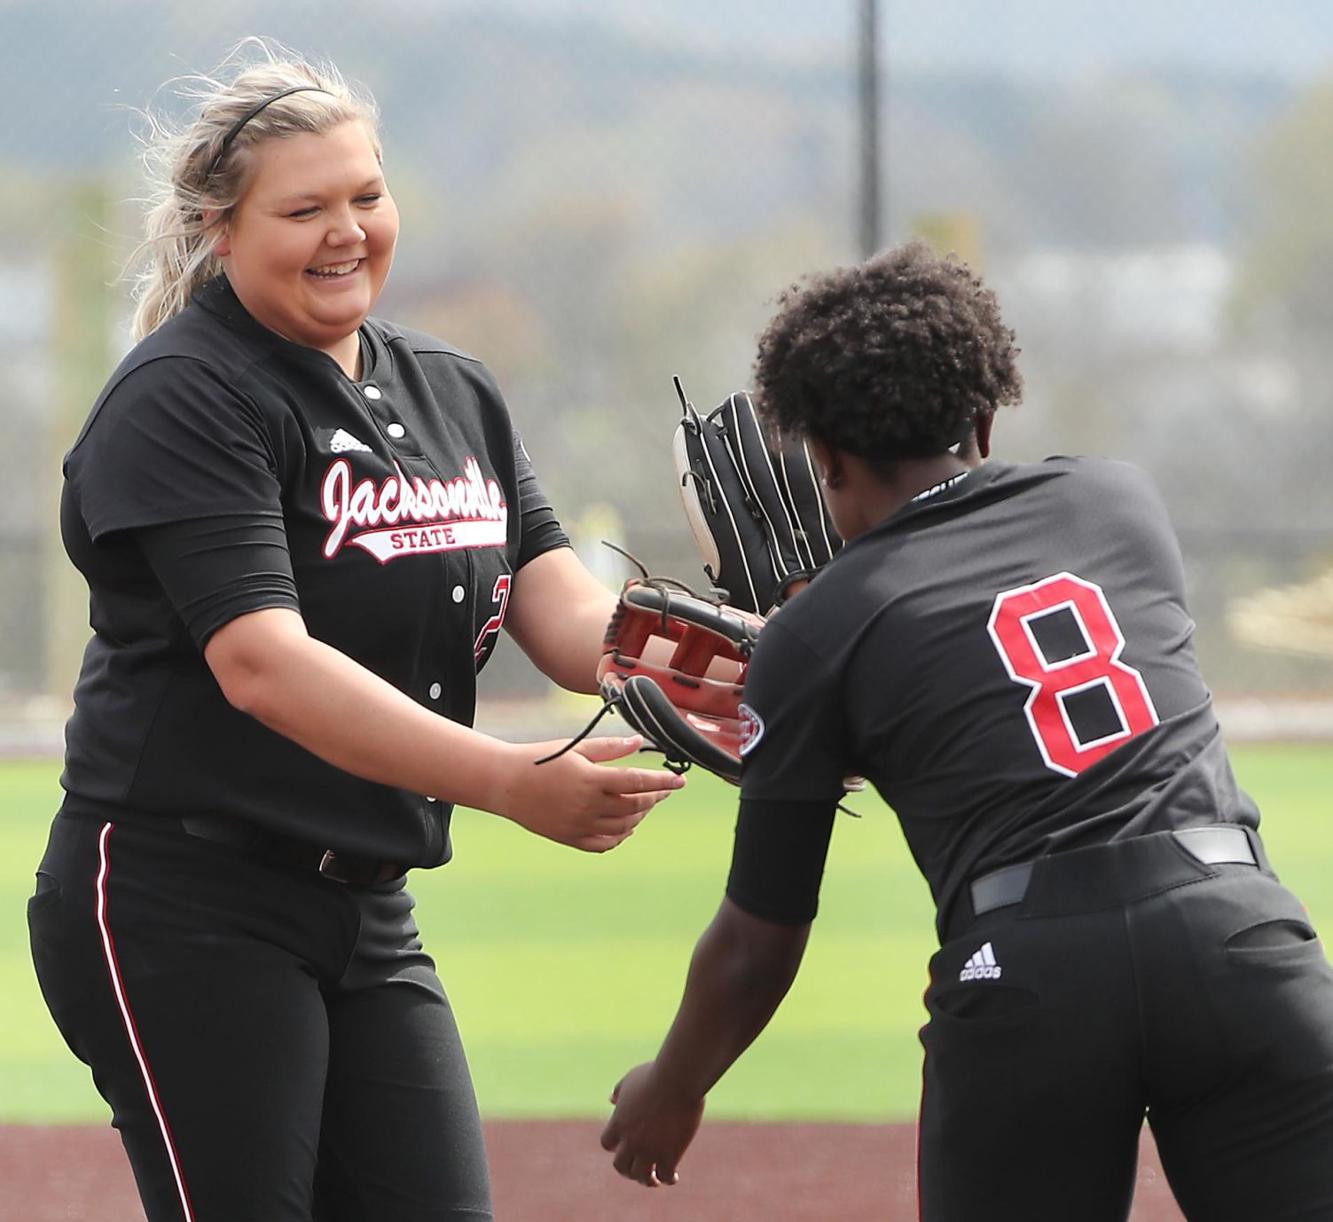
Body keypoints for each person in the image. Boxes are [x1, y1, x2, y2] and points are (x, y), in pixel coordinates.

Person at [27, 41, 687, 1222]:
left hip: (366, 903)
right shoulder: (185, 395)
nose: (347, 230)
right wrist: (508, 779)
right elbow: (263, 664)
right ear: (218, 230)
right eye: (305, 208)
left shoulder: (449, 386)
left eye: (367, 197)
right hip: (184, 899)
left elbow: (557, 601)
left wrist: (724, 662)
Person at [599, 240, 1333, 1220]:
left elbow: (755, 948)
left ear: (823, 458)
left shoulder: (819, 637)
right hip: (1236, 939)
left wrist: (672, 1086)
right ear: (984, 419)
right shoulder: (1119, 501)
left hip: (1028, 980)